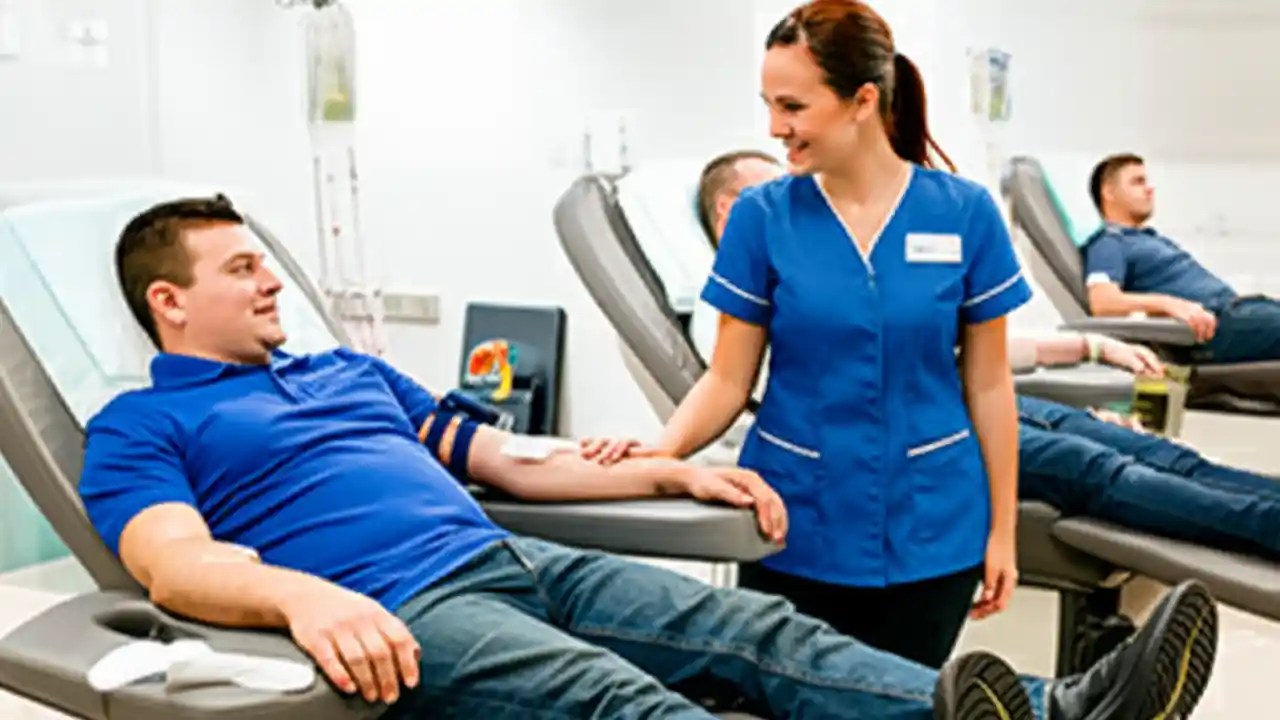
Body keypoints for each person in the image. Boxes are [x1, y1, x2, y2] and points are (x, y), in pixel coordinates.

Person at [73, 194, 1219, 720]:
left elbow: (513, 459)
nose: (271, 279)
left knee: (760, 634)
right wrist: (301, 598)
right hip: (397, 603)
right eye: (241, 270)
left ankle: (1055, 710)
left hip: (506, 555)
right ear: (170, 303)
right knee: (620, 702)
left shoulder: (349, 374)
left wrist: (669, 469)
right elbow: (171, 565)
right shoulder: (142, 425)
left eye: (267, 264)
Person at [594, 0, 1035, 671]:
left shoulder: (963, 213)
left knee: (906, 708)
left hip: (935, 529)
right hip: (793, 524)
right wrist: (657, 455)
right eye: (769, 105)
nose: (775, 128)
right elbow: (726, 379)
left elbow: (989, 380)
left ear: (861, 101)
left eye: (794, 107)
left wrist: (1003, 531)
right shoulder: (762, 219)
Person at [678, 149, 1280, 567]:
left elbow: (964, 349)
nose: (801, 194)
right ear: (734, 212)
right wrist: (660, 456)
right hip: (925, 443)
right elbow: (737, 388)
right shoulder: (733, 299)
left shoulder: (825, 267)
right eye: (778, 185)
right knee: (1101, 471)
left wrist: (1094, 345)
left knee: (1156, 452)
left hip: (973, 402)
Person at [1081, 152, 1280, 363]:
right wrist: (1170, 304)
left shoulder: (1148, 239)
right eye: (1137, 182)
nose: (1150, 189)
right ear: (1109, 192)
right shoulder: (1109, 243)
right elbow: (1102, 301)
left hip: (1241, 311)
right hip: (1214, 328)